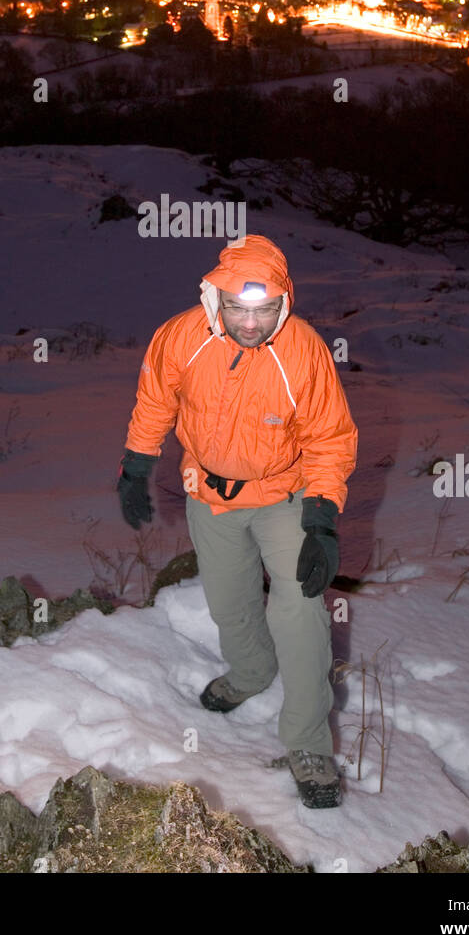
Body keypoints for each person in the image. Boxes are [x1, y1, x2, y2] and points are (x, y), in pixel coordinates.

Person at [116, 234, 358, 808]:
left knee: (300, 609)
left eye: (265, 309)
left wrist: (322, 518)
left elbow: (329, 438)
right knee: (229, 603)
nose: (251, 323)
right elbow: (156, 400)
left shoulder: (304, 352)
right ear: (215, 298)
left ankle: (308, 744)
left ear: (284, 302)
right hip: (209, 496)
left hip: (285, 496)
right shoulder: (180, 336)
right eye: (238, 308)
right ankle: (250, 672)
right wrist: (135, 464)